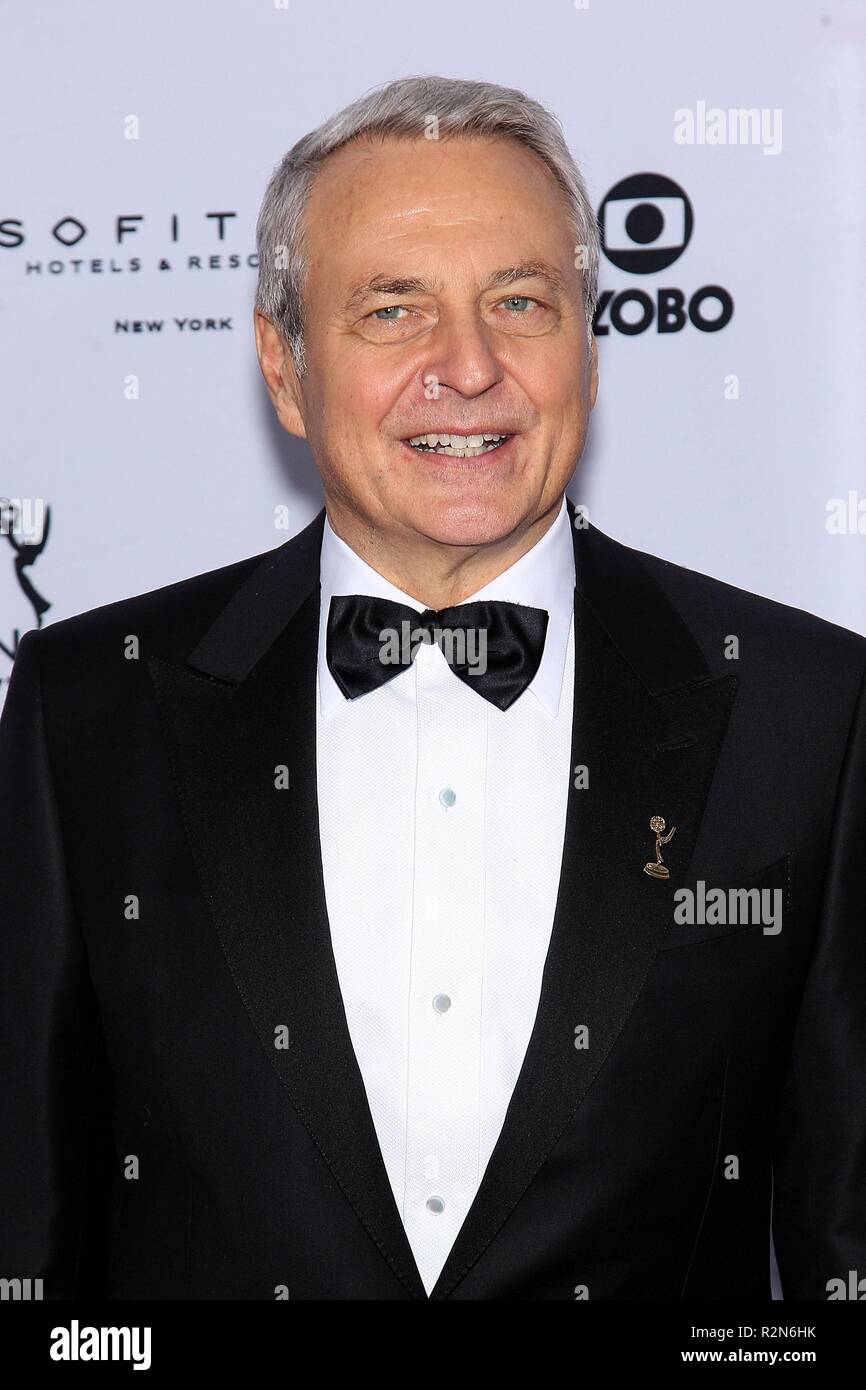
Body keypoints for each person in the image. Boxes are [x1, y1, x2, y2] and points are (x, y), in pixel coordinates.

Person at [1, 74, 864, 1301]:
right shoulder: (88, 708)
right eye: (391, 311)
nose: (466, 368)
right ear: (284, 370)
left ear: (587, 341)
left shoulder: (804, 710)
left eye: (519, 301)